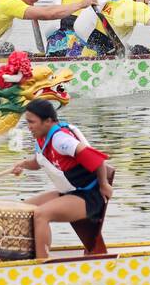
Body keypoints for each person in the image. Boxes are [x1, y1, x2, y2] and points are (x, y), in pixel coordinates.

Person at [9, 99, 113, 260]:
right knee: (22, 209)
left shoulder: (61, 139)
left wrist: (104, 184)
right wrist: (22, 164)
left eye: (31, 122)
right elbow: (38, 162)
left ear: (48, 121)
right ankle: (21, 254)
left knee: (40, 214)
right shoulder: (42, 137)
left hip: (89, 197)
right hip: (70, 193)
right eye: (27, 122)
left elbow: (96, 159)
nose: (28, 126)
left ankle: (41, 263)